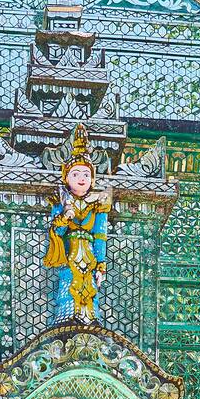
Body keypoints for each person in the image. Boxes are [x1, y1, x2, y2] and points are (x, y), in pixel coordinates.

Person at [43, 124, 110, 325]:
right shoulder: (60, 201)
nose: (81, 179)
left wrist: (101, 262)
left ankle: (90, 318)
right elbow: (56, 230)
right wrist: (65, 217)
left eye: (86, 175)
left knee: (90, 286)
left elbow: (100, 235)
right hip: (69, 252)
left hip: (89, 253)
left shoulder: (98, 205)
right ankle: (66, 316)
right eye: (75, 174)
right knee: (68, 281)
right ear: (66, 177)